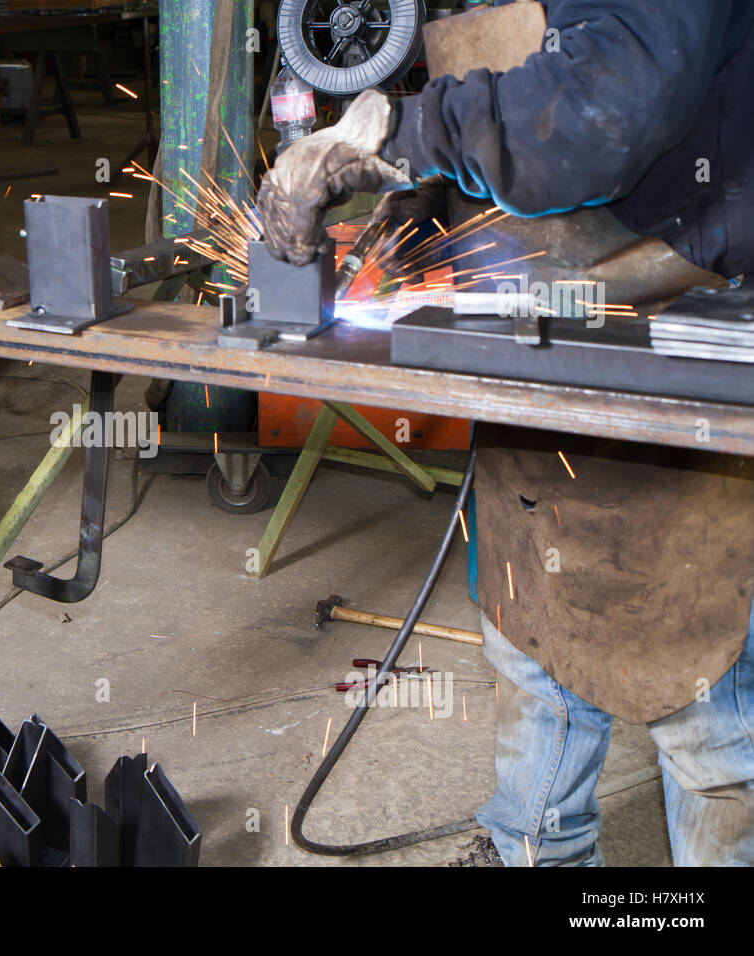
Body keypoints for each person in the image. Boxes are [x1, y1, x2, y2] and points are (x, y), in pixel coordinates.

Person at [258, 0, 754, 866]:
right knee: (531, 626)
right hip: (535, 331)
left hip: (691, 297)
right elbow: (511, 76)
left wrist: (400, 133)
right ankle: (533, 849)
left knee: (698, 680)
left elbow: (609, 106)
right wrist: (416, 202)